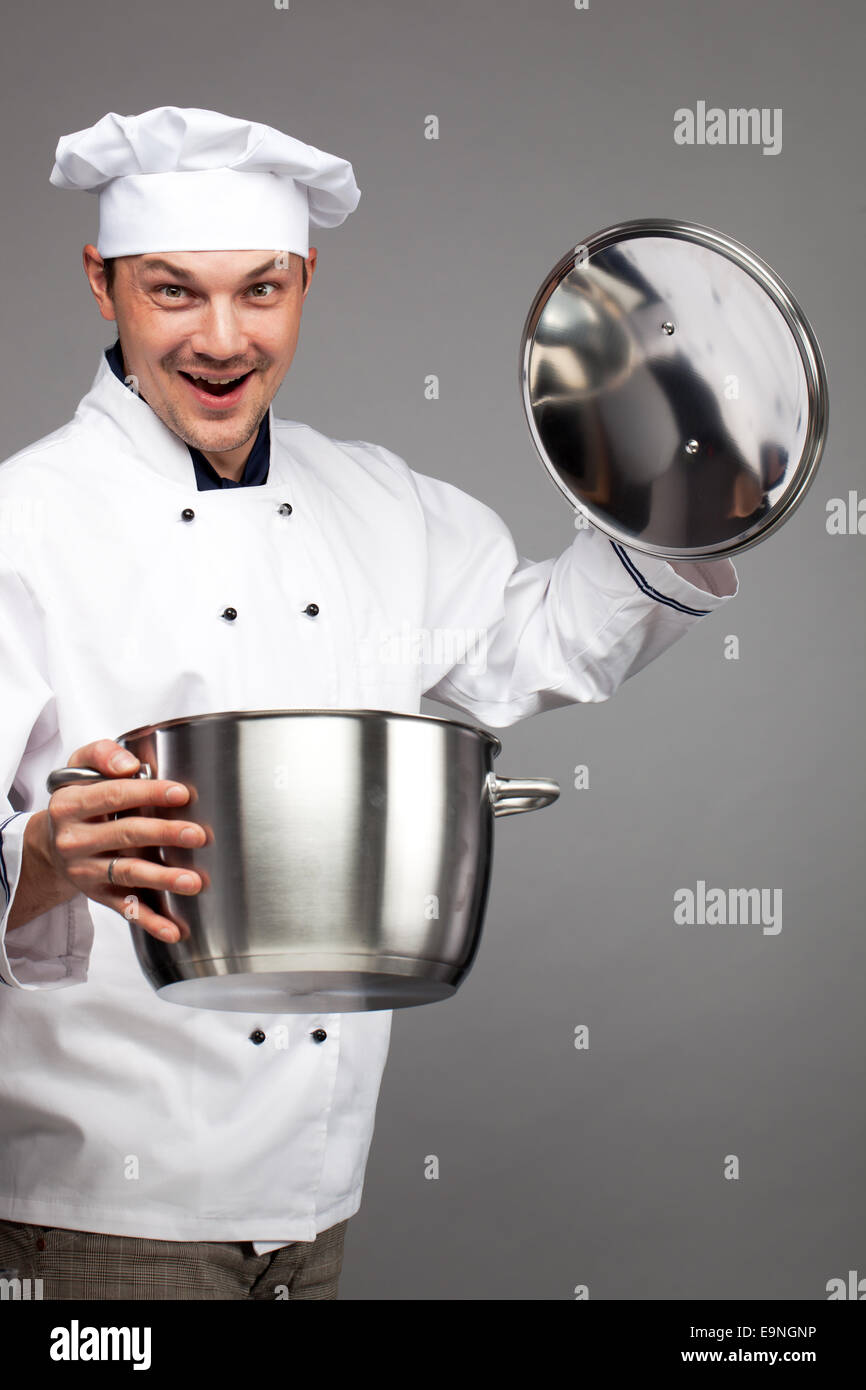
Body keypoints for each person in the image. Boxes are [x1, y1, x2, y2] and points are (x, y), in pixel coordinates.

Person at [0, 106, 738, 1300]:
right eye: (173, 292)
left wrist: (682, 478)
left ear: (306, 282)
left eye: (263, 289)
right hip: (98, 1215)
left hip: (314, 1196)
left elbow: (530, 642)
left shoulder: (379, 505)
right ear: (103, 283)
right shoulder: (22, 525)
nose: (223, 338)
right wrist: (39, 854)